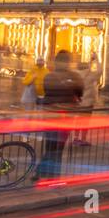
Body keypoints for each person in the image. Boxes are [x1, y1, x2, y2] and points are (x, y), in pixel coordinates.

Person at [38, 51, 84, 179]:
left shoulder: (49, 76)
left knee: (50, 145)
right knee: (59, 147)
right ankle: (53, 175)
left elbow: (45, 91)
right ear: (68, 62)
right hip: (65, 116)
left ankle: (43, 172)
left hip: (49, 115)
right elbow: (80, 92)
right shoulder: (75, 76)